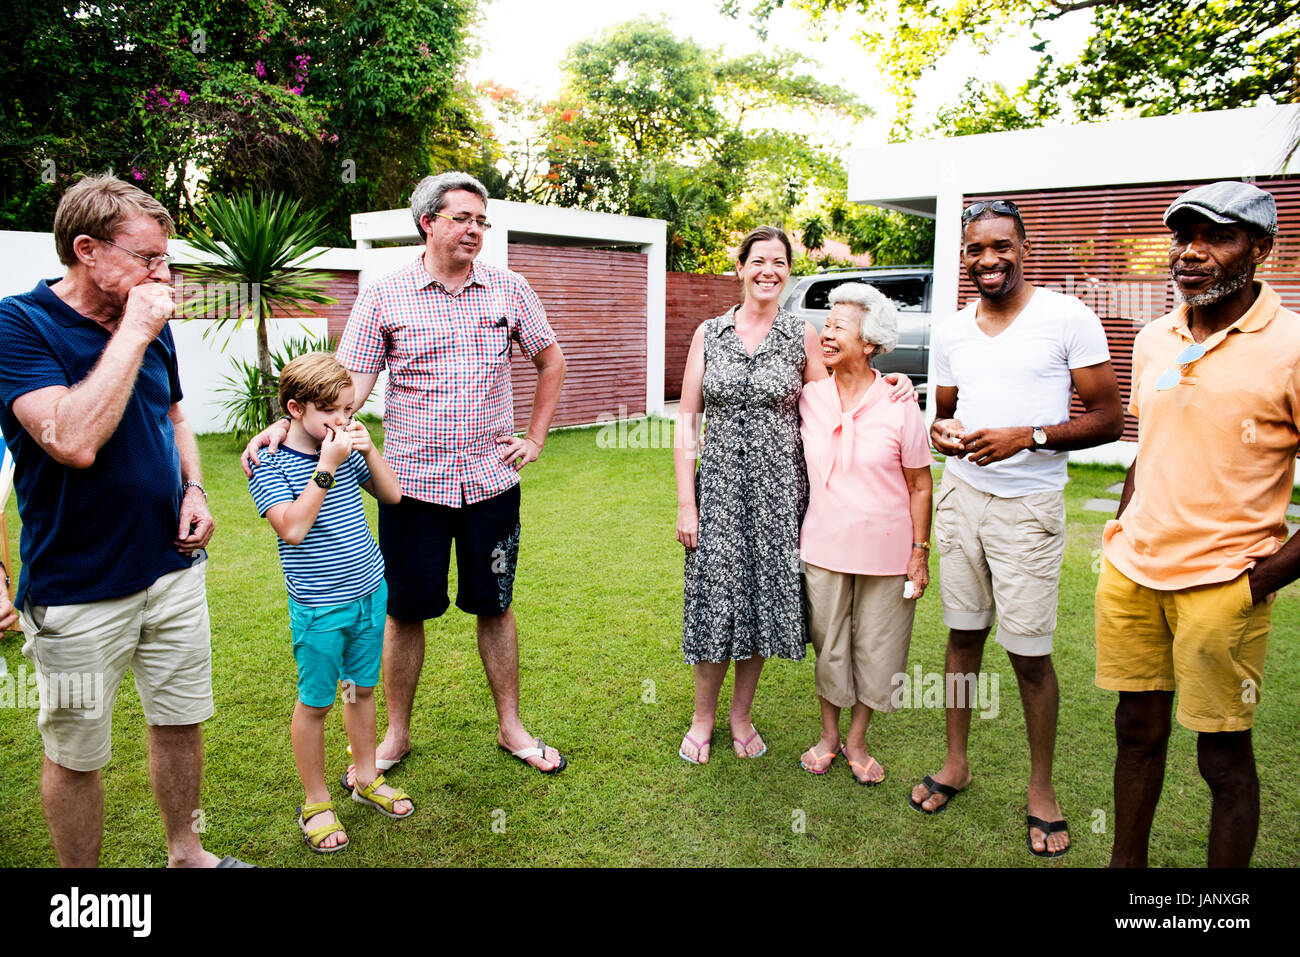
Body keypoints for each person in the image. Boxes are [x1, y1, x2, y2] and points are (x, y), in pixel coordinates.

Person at [243, 171, 568, 776]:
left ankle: (511, 726)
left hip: (491, 483)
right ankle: (395, 735)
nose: (474, 230)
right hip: (409, 487)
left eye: (481, 221)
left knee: (495, 604)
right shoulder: (385, 294)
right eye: (461, 218)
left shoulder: (510, 288)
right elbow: (345, 388)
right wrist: (282, 428)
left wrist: (536, 437)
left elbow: (552, 359)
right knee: (403, 611)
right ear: (428, 222)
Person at [0, 175, 249, 867]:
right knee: (77, 752)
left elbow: (172, 417)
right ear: (86, 248)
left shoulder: (146, 324)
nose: (161, 275)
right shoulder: (19, 324)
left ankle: (186, 853)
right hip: (78, 586)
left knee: (179, 721)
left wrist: (195, 487)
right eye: (148, 259)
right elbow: (70, 439)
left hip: (171, 570)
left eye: (164, 260)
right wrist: (136, 328)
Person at [1097, 181, 1297, 868]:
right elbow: (1148, 446)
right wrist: (1123, 530)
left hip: (1223, 583)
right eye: (1184, 237)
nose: (1192, 252)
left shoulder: (1292, 344)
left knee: (1222, 759)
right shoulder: (1158, 336)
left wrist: (1261, 577)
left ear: (1260, 250)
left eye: (1218, 237)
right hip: (1134, 573)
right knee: (1135, 732)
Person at [914, 199, 1123, 858]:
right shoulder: (952, 331)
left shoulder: (1068, 318)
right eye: (975, 249)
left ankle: (1041, 788)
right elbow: (942, 415)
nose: (988, 260)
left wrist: (1026, 437)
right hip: (963, 499)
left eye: (1000, 246)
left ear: (1023, 246)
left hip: (1028, 510)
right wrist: (941, 432)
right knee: (962, 636)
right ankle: (956, 762)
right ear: (965, 256)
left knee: (1029, 654)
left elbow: (1110, 418)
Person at [674, 226, 913, 764]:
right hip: (716, 494)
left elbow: (841, 390)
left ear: (787, 272)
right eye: (758, 260)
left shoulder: (800, 334)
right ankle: (703, 718)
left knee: (762, 603)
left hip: (783, 495)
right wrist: (686, 502)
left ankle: (741, 715)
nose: (768, 271)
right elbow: (688, 421)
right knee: (713, 603)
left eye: (779, 262)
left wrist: (892, 382)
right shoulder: (709, 334)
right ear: (739, 268)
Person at [248, 352, 411, 853]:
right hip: (319, 608)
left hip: (369, 593)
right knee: (316, 703)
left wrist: (369, 449)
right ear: (295, 409)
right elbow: (292, 529)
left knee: (361, 691)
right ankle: (316, 802)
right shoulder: (269, 463)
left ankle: (366, 779)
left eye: (347, 410)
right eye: (331, 413)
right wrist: (326, 467)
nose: (343, 420)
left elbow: (392, 496)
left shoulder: (344, 445)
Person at [797, 283, 933, 784]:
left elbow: (921, 484)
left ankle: (857, 739)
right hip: (823, 545)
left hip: (888, 551)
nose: (826, 334)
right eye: (826, 324)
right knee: (828, 645)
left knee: (878, 649)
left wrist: (919, 553)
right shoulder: (808, 396)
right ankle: (829, 735)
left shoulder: (900, 402)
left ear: (870, 343)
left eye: (838, 328)